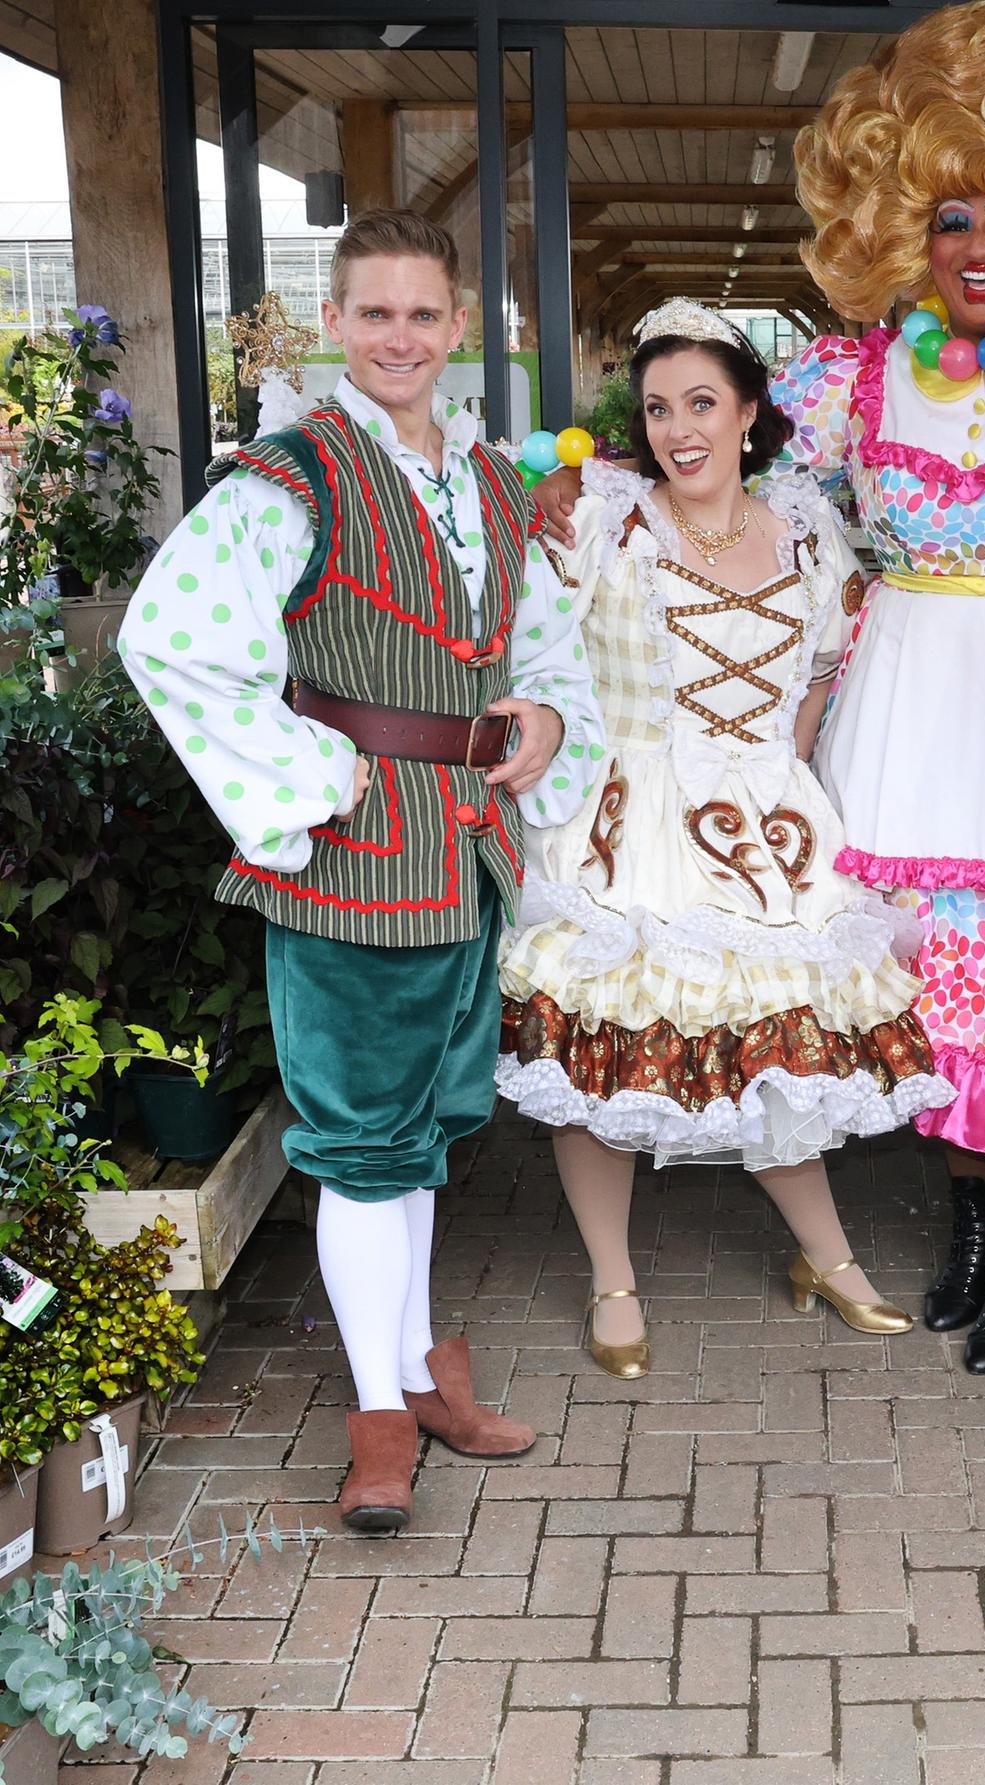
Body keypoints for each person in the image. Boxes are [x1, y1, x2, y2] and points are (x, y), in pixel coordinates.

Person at [538, 0, 985, 1375]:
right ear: (912, 226)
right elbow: (730, 479)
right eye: (953, 218)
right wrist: (586, 477)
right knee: (930, 993)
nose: (978, 247)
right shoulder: (854, 375)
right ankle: (963, 1224)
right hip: (898, 698)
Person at [119, 208, 604, 1533]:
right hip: (351, 854)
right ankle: (379, 1417)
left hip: (465, 848)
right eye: (373, 313)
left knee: (426, 1134)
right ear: (336, 325)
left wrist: (547, 719)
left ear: (461, 332)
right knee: (358, 1149)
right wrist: (312, 777)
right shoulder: (293, 477)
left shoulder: (498, 485)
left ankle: (416, 1365)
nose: (400, 337)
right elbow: (170, 639)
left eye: (423, 315)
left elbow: (546, 647)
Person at [496, 299, 957, 1368]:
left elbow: (823, 674)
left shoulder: (804, 525)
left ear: (749, 411)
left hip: (768, 823)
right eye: (657, 408)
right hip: (631, 821)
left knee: (773, 1055)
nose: (677, 427)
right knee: (600, 1055)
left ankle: (828, 1259)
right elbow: (534, 657)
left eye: (701, 401)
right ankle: (612, 1281)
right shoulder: (598, 521)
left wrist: (783, 783)